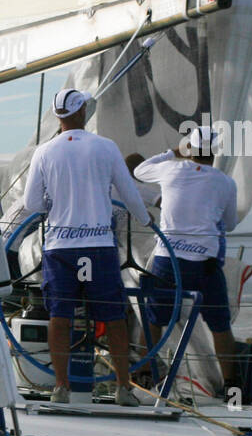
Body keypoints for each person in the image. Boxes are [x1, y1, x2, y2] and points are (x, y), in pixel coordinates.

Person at [22, 88, 151, 406]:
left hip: (59, 248)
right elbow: (130, 194)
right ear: (82, 112)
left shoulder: (44, 152)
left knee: (60, 317)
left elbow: (32, 204)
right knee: (114, 317)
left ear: (58, 116)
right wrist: (146, 220)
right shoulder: (105, 148)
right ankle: (123, 387)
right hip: (99, 247)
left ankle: (61, 387)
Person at [133, 126, 240, 388]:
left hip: (168, 259)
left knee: (155, 319)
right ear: (215, 152)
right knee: (220, 325)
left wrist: (174, 152)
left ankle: (144, 376)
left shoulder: (170, 169)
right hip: (205, 264)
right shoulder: (225, 182)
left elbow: (138, 170)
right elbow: (230, 223)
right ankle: (233, 388)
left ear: (189, 148)